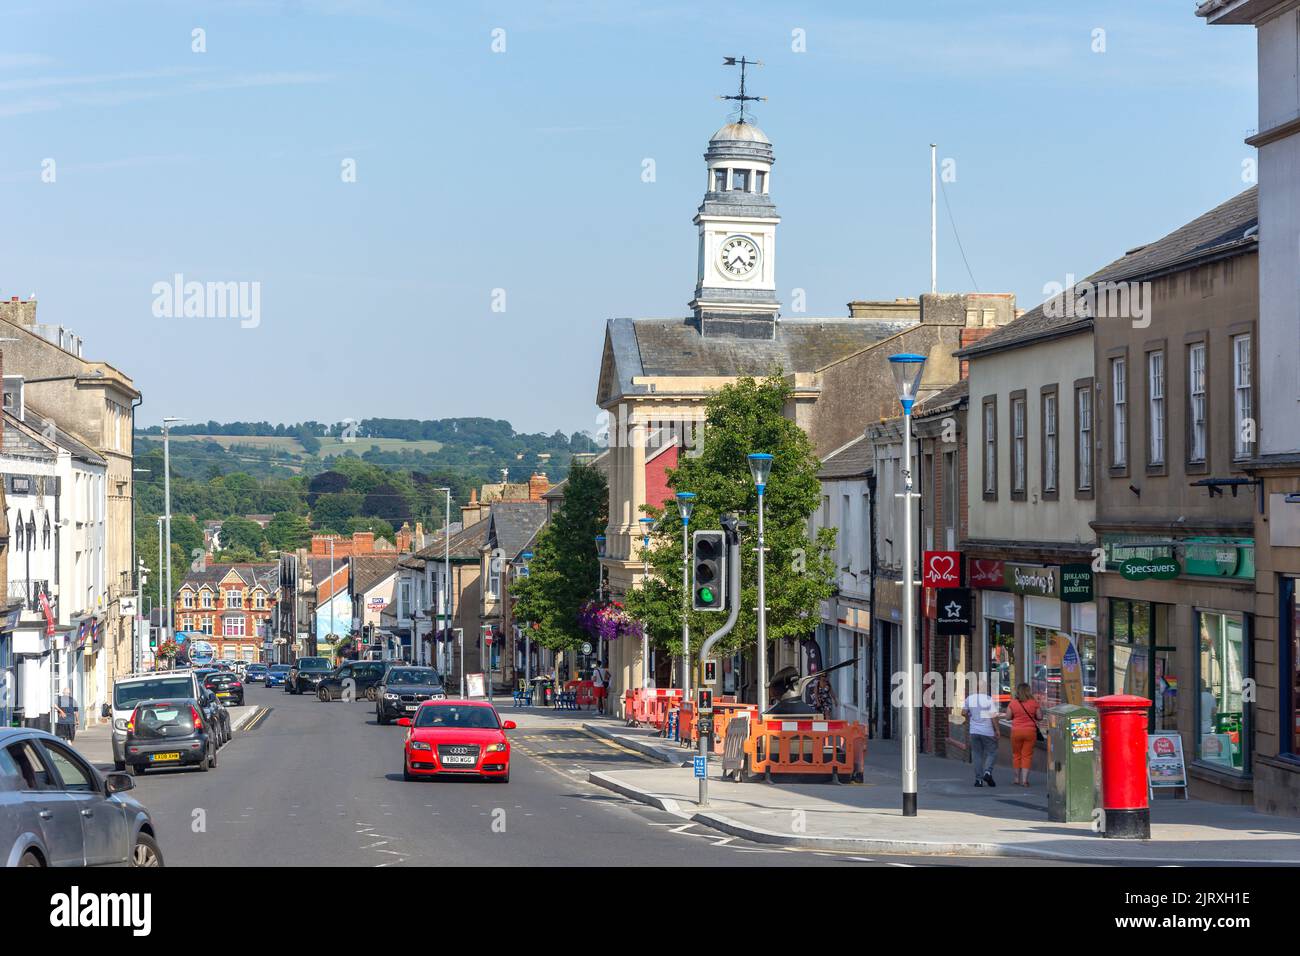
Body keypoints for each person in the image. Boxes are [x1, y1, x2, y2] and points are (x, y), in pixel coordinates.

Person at [962, 686, 999, 787]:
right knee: (992, 752)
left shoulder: (969, 698)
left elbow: (964, 712)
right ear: (986, 689)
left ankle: (978, 780)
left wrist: (969, 715)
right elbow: (993, 716)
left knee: (977, 755)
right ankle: (987, 772)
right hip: (987, 731)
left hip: (974, 731)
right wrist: (997, 730)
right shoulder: (988, 699)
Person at [1008, 683, 1041, 788]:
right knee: (1027, 756)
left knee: (1016, 755)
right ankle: (1025, 780)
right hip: (1030, 732)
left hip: (1016, 731)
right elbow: (1039, 716)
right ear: (1028, 691)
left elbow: (1008, 717)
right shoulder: (1034, 703)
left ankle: (1016, 778)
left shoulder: (1013, 703)